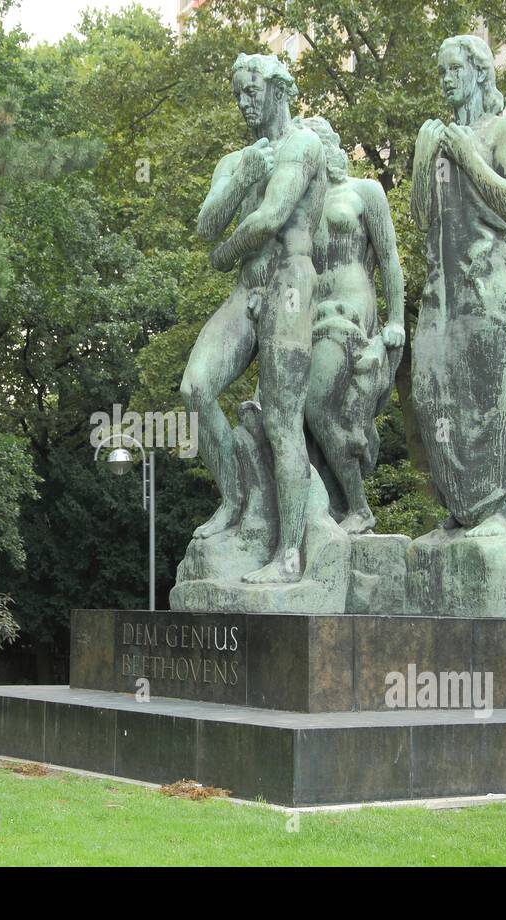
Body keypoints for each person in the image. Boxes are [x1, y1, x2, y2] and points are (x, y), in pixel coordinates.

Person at [182, 53, 326, 583]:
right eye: (237, 93)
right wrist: (241, 174)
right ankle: (236, 497)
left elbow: (268, 220)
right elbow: (206, 224)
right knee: (195, 388)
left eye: (252, 91)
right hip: (247, 289)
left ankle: (289, 555)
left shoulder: (303, 145)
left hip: (290, 282)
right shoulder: (237, 159)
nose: (244, 102)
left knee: (281, 419)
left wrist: (223, 256)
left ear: (278, 89)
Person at [409, 35, 506, 538]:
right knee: (432, 395)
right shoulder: (441, 135)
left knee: (493, 390)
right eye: (440, 71)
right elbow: (422, 213)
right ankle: (462, 505)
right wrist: (425, 157)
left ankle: (502, 509)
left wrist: (468, 154)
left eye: (453, 69)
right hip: (441, 287)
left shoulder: (505, 128)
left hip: (489, 276)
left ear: (480, 72)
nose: (445, 79)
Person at [299, 116, 405, 535]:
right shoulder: (299, 203)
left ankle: (359, 506)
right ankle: (324, 507)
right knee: (292, 415)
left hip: (349, 312)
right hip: (306, 315)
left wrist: (396, 319)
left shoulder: (364, 191)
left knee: (315, 404)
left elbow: (390, 259)